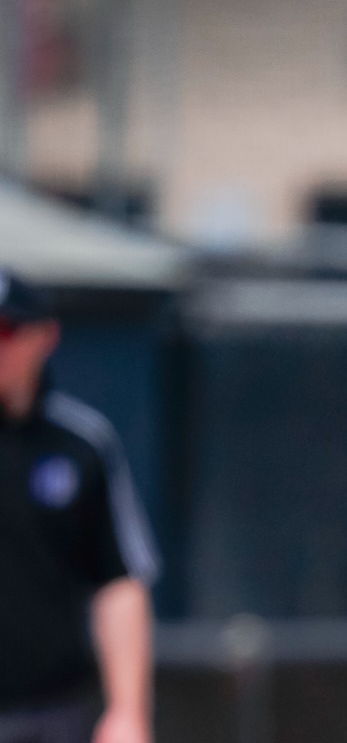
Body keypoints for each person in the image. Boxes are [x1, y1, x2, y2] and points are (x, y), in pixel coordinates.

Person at [0, 269, 159, 743]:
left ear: (44, 336)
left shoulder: (81, 444)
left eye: (7, 332)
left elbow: (118, 580)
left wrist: (128, 712)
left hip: (53, 710)